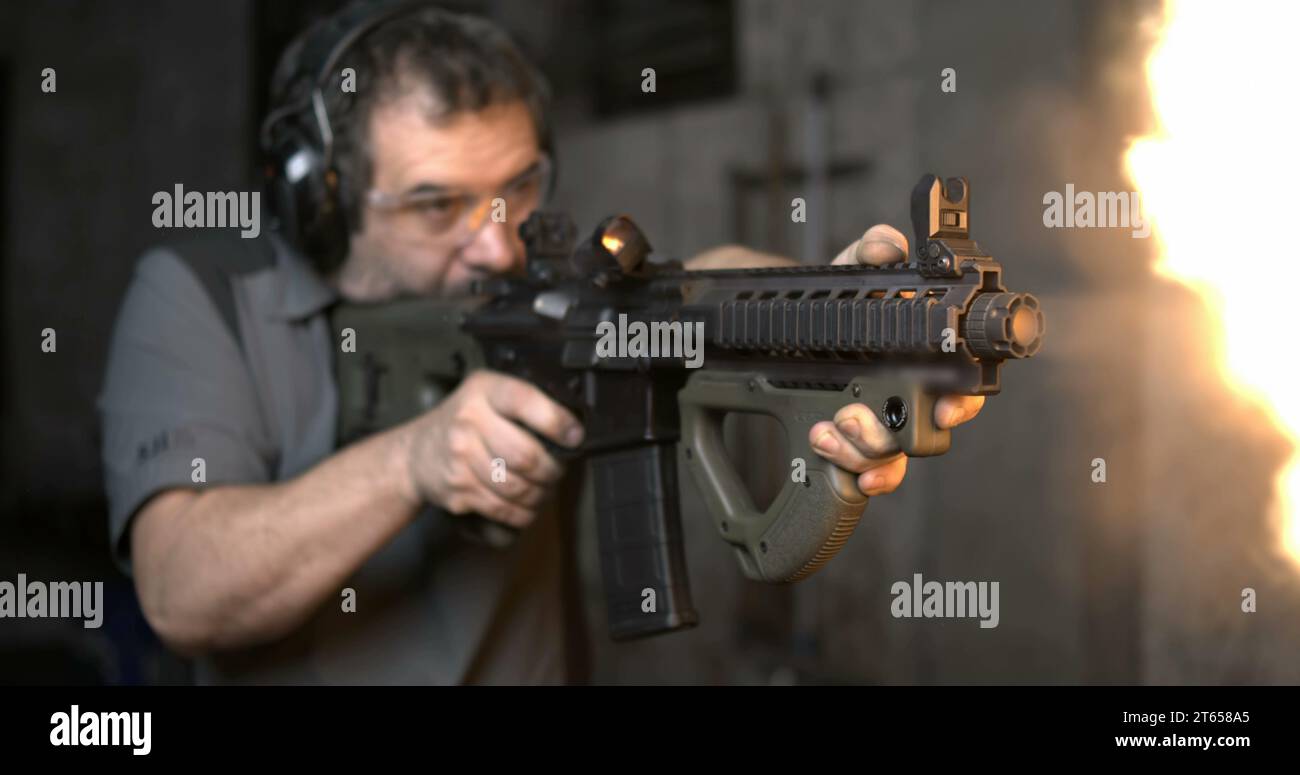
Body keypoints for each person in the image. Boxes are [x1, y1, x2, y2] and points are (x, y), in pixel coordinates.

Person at [98, 2, 983, 684]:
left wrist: (824, 304)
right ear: (317, 198)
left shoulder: (556, 297)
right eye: (436, 204)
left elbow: (693, 285)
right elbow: (180, 590)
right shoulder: (196, 295)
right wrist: (413, 459)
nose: (493, 240)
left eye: (517, 187)